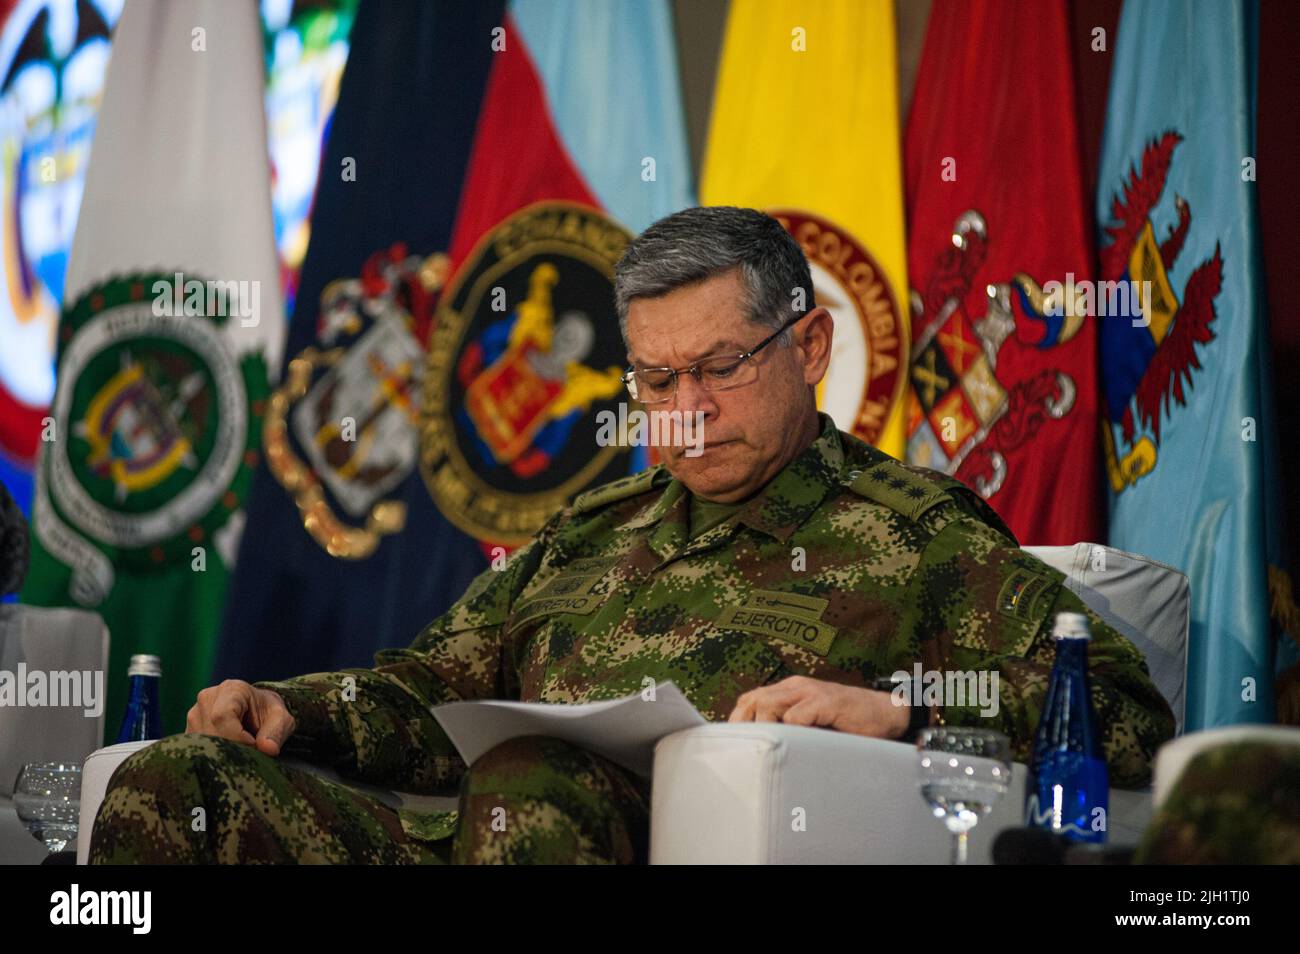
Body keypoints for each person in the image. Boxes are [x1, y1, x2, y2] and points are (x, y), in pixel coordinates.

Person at [90, 206, 1175, 864]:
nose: (685, 407)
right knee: (172, 784)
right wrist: (290, 705)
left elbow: (1122, 713)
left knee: (528, 786)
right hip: (463, 841)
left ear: (809, 344)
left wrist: (905, 708)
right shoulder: (589, 530)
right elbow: (427, 690)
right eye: (655, 378)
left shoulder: (918, 534)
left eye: (718, 367)